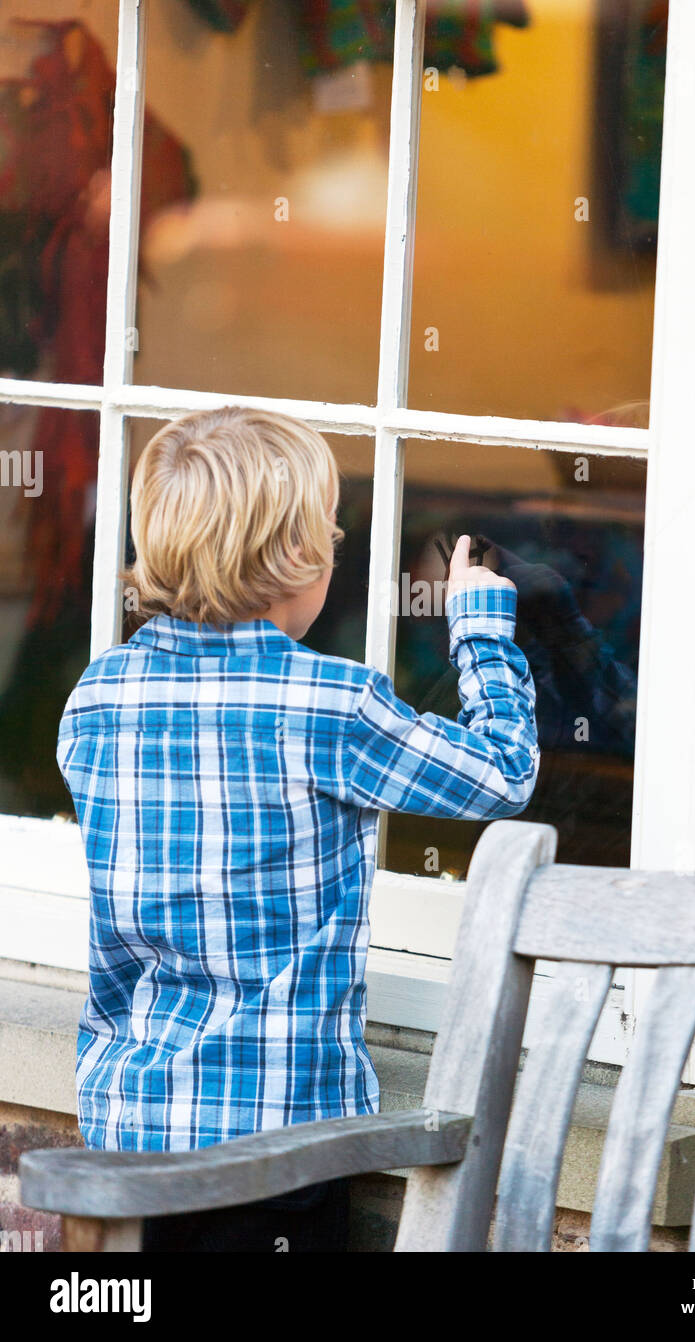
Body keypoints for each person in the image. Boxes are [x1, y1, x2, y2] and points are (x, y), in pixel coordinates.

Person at [56, 407, 539, 1252]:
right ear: (298, 562)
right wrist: (480, 624)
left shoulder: (98, 700)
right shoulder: (329, 705)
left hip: (126, 1143)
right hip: (279, 1153)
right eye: (330, 535)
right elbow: (503, 772)